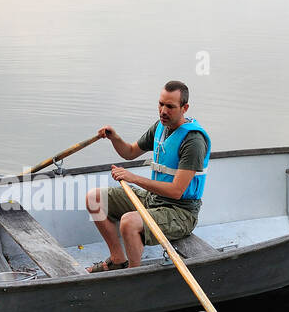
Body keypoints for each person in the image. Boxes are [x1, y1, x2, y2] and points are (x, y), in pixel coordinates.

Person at [84, 80, 211, 271]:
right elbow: (130, 152)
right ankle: (117, 259)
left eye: (170, 106)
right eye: (161, 104)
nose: (163, 111)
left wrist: (132, 178)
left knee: (128, 222)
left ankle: (133, 275)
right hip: (154, 200)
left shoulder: (193, 141)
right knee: (94, 198)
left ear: (184, 108)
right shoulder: (161, 127)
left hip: (181, 212)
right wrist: (115, 138)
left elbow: (176, 191)